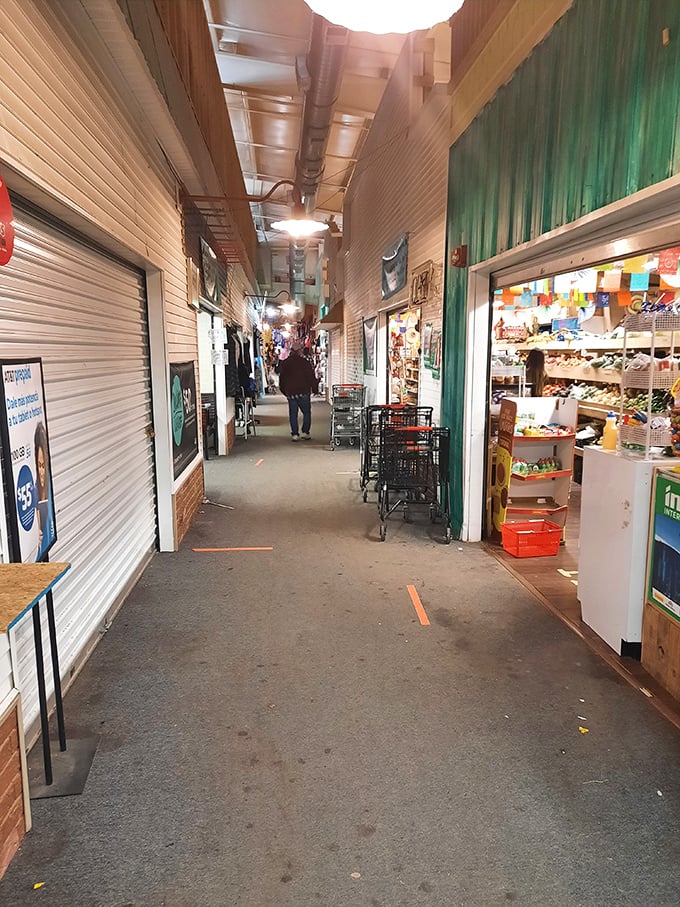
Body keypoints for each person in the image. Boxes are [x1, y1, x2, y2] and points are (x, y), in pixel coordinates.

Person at [278, 340, 319, 441]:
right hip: (303, 391)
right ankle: (305, 432)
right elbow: (310, 376)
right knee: (306, 412)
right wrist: (314, 388)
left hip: (291, 392)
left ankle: (295, 434)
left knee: (293, 413)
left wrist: (284, 390)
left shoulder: (285, 363)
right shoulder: (304, 363)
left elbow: (282, 378)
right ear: (299, 351)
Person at [34, 420, 55, 560]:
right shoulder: (34, 494)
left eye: (43, 465)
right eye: (39, 465)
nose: (41, 471)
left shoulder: (47, 491)